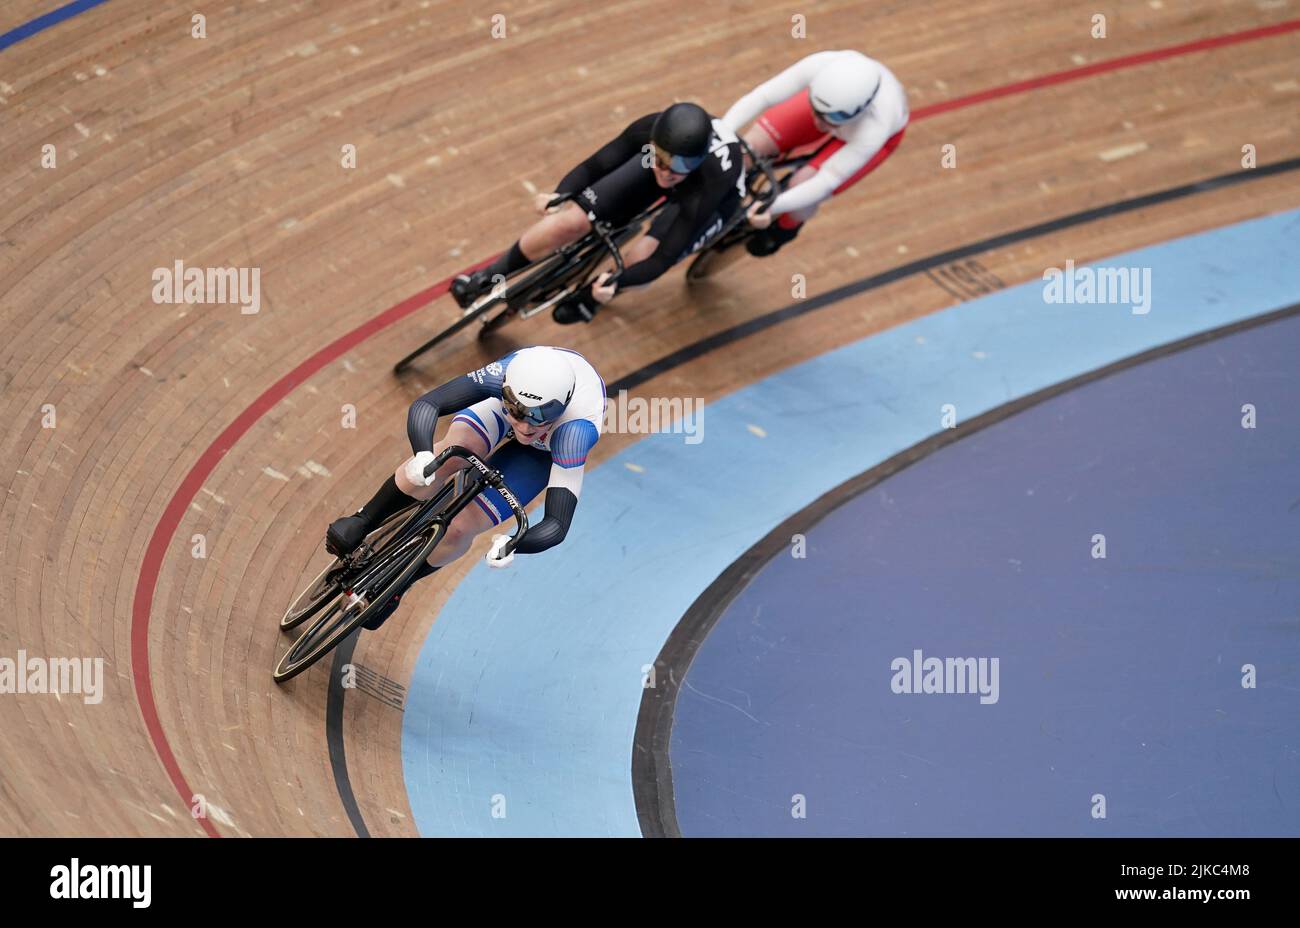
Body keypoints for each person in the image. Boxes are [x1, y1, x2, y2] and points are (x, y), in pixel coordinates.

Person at [324, 346, 604, 629]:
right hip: (499, 412)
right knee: (447, 455)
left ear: (561, 408)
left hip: (542, 451)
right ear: (507, 390)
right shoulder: (502, 376)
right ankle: (365, 518)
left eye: (538, 417)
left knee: (460, 528)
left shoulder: (574, 433)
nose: (525, 426)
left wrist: (515, 544)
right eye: (519, 413)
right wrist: (423, 455)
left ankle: (399, 584)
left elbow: (557, 523)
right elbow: (428, 404)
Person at [449, 102, 745, 325]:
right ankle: (487, 278)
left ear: (694, 163)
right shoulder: (650, 132)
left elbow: (662, 259)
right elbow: (598, 165)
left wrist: (617, 282)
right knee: (570, 221)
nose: (664, 172)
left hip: (709, 198)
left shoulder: (712, 180)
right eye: (660, 160)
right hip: (677, 170)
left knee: (644, 253)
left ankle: (593, 296)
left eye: (676, 168)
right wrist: (559, 194)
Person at [721, 50, 909, 256]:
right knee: (753, 145)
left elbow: (827, 180)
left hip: (872, 136)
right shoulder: (822, 65)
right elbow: (762, 97)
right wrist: (723, 132)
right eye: (817, 113)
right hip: (834, 106)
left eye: (829, 118)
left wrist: (771, 206)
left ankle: (785, 230)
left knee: (803, 182)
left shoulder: (875, 128)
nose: (818, 123)